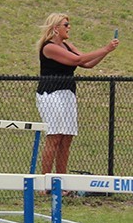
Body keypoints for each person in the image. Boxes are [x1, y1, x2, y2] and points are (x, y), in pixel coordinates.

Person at [35, 13, 118, 178]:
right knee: (54, 137)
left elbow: (87, 63)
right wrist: (105, 48)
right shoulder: (49, 47)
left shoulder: (67, 45)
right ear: (55, 28)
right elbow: (76, 61)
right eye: (65, 25)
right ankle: (45, 181)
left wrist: (106, 52)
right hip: (51, 94)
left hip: (67, 93)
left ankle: (61, 180)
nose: (69, 27)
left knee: (66, 139)